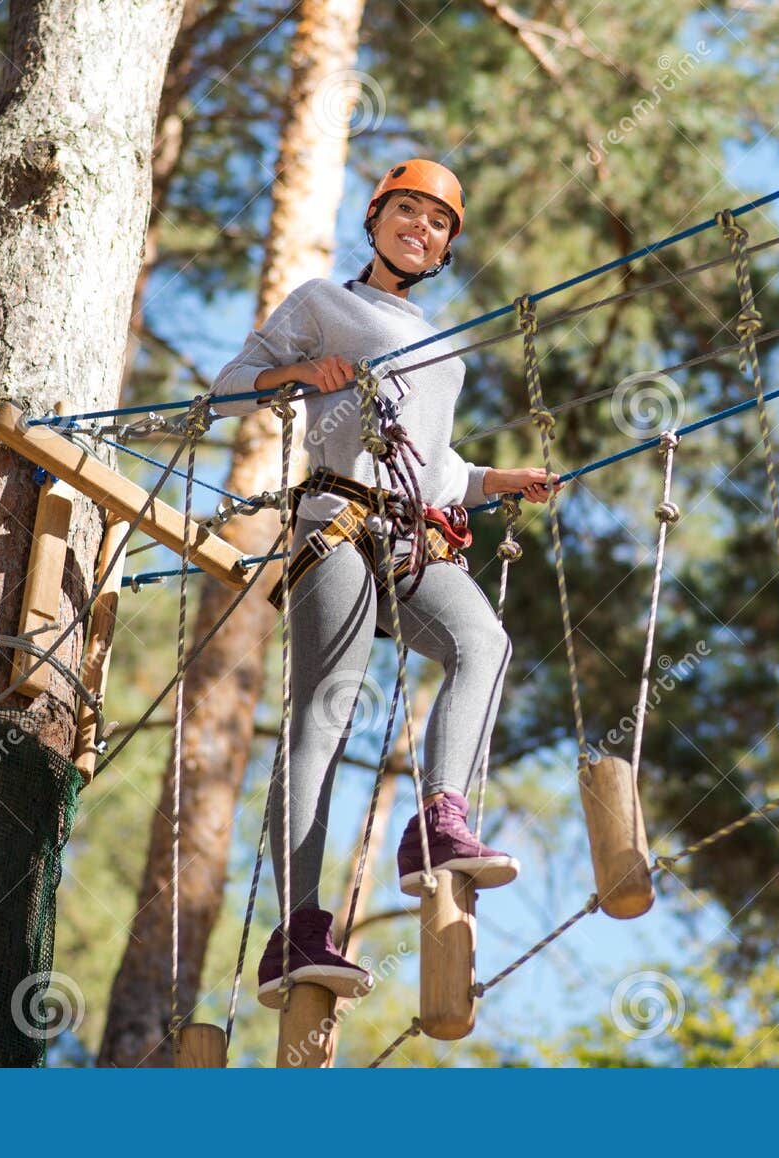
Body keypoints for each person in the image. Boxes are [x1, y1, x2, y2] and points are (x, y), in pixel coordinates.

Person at [211, 159, 559, 1009]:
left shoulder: (448, 353)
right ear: (375, 220)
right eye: (407, 210)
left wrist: (491, 482)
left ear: (445, 247)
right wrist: (299, 376)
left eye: (438, 222)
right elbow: (225, 392)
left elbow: (433, 468)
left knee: (485, 642)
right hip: (335, 516)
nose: (421, 228)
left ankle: (438, 822)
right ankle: (296, 929)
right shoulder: (323, 305)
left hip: (409, 533)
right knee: (326, 713)